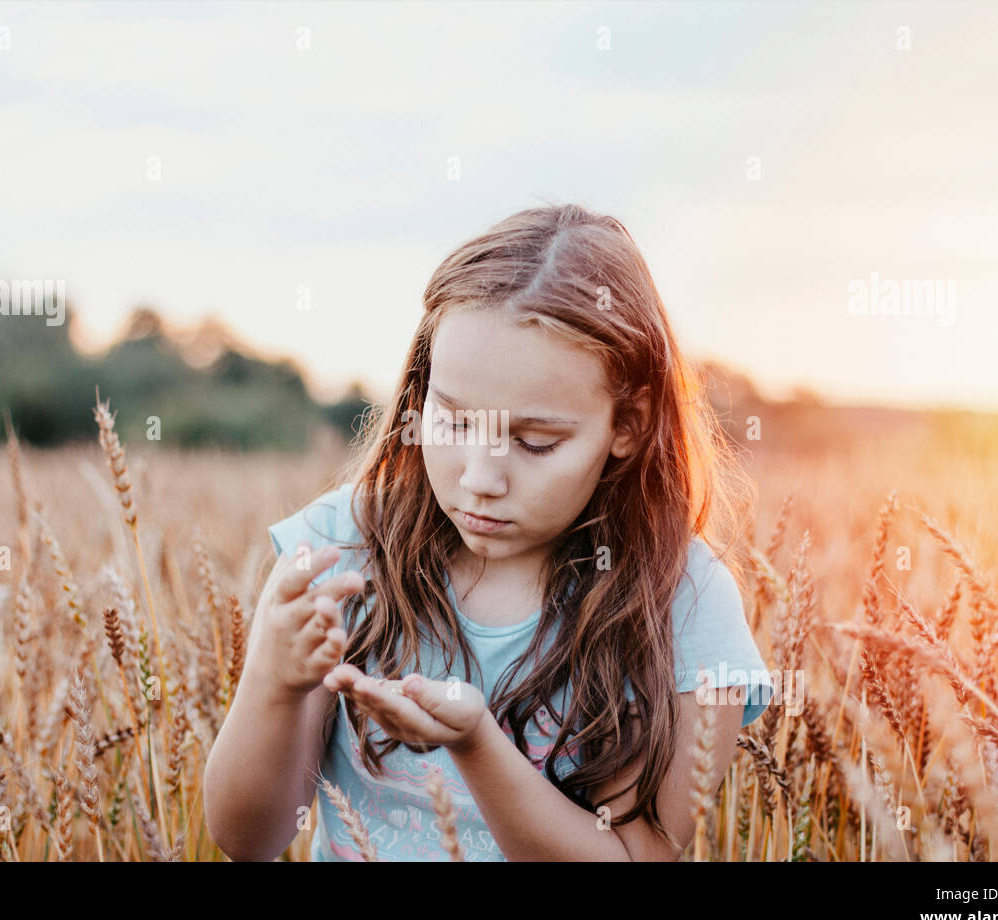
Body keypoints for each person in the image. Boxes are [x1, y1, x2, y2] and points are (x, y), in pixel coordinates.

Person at [203, 203, 774, 862]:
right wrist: (275, 682)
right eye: (452, 421)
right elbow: (248, 839)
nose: (480, 478)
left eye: (534, 442)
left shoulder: (685, 606)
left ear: (628, 425)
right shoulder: (343, 548)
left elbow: (639, 856)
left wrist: (477, 746)